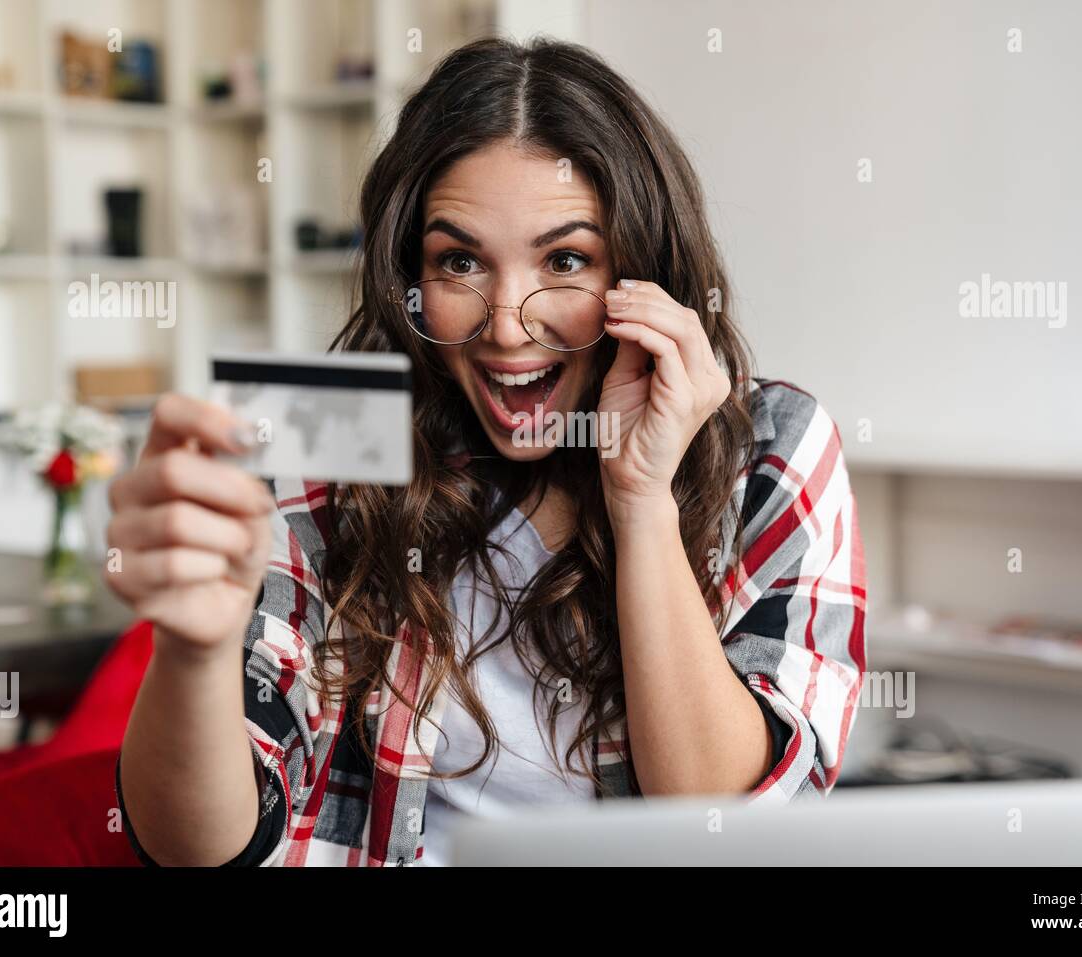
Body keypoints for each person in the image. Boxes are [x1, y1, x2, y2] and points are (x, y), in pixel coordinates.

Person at [108, 37, 866, 867]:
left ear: (645, 273)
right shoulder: (325, 445)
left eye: (565, 259)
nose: (507, 322)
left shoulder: (771, 452)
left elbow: (731, 832)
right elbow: (201, 849)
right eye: (459, 261)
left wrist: (641, 498)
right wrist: (194, 653)